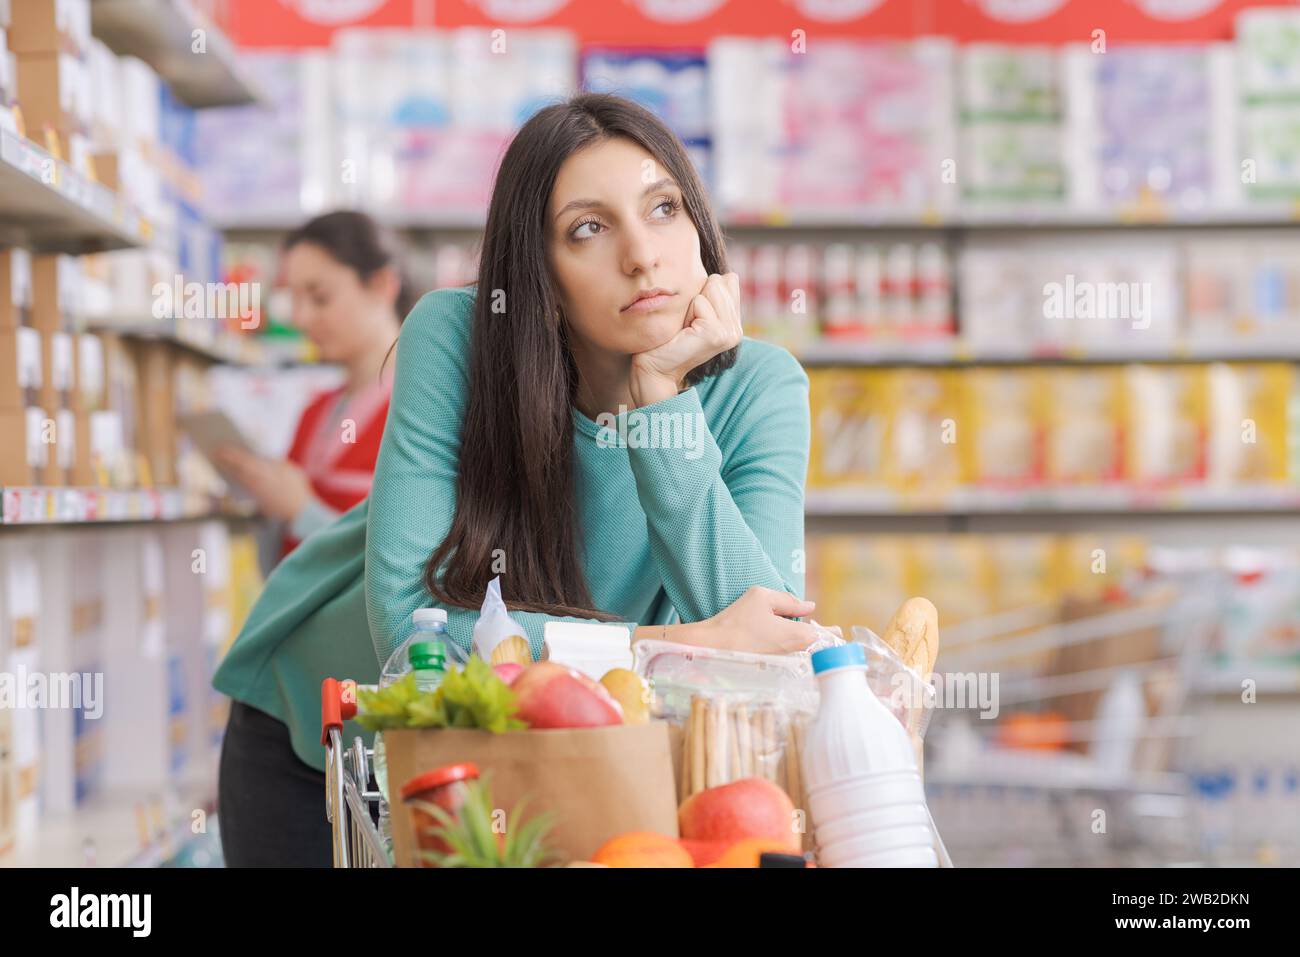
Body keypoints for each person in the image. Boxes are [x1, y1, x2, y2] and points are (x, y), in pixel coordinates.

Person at [213, 93, 814, 867]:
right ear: (539, 271)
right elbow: (411, 636)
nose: (641, 255)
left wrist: (661, 403)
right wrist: (662, 647)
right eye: (588, 229)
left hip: (547, 744)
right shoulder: (457, 337)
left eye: (663, 208)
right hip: (331, 735)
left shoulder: (763, 387)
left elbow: (765, 653)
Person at [213, 211, 414, 562]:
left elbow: (412, 562)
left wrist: (303, 512)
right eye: (293, 299)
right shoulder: (314, 411)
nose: (301, 318)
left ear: (382, 285)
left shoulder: (425, 410)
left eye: (319, 297)